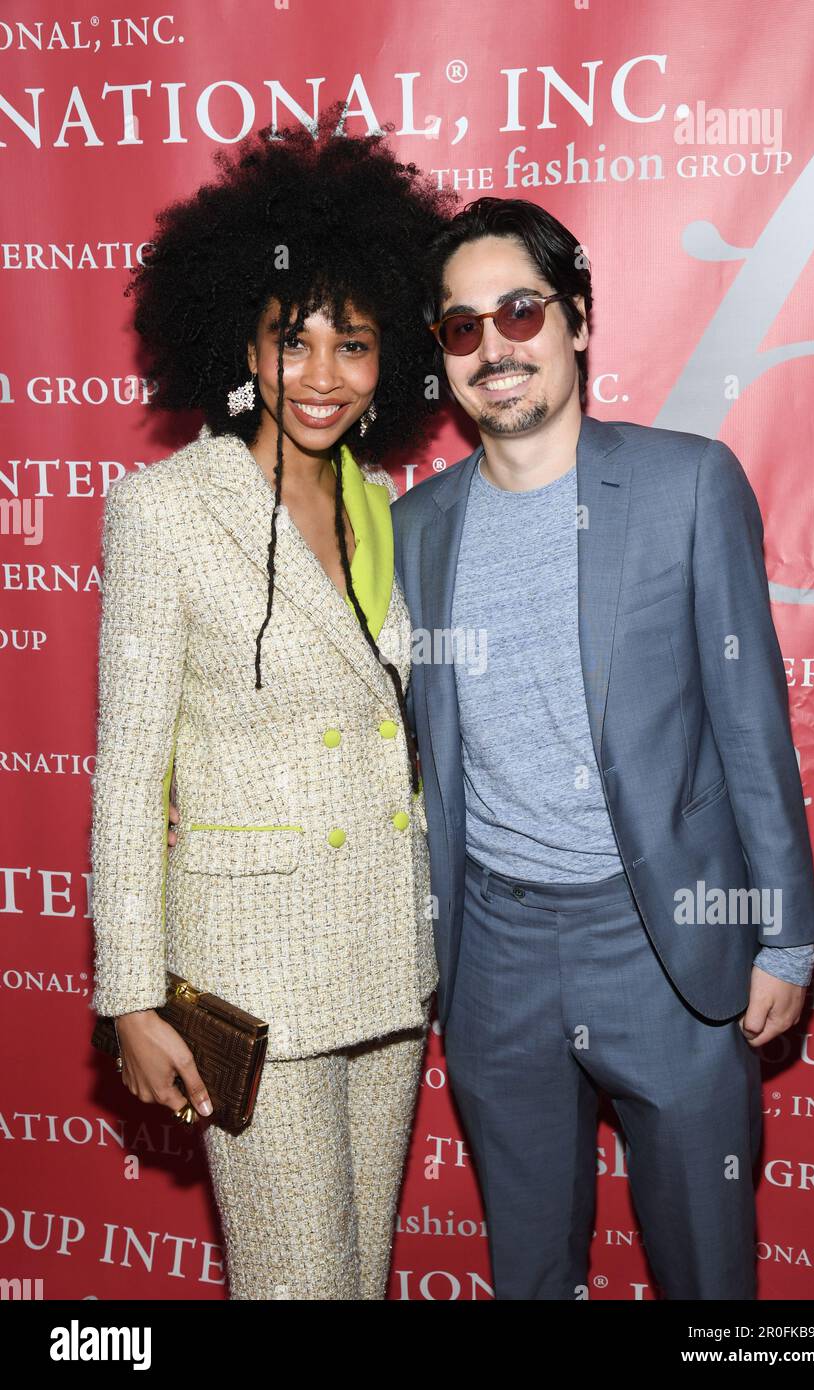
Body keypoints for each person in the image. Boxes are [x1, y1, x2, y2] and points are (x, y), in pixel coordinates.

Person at [390, 197, 814, 1300]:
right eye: (460, 326)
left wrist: (782, 935)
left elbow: (749, 723)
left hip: (662, 943)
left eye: (520, 311)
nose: (494, 345)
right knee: (529, 1269)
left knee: (706, 1270)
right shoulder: (413, 528)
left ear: (577, 321)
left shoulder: (687, 484)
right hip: (491, 953)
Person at [89, 115, 456, 1300]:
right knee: (296, 1286)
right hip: (254, 972)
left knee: (357, 1275)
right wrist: (129, 995)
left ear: (383, 359)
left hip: (382, 958)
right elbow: (130, 767)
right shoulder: (166, 510)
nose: (320, 376)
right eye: (292, 341)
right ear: (242, 344)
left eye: (352, 346)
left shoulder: (379, 505)